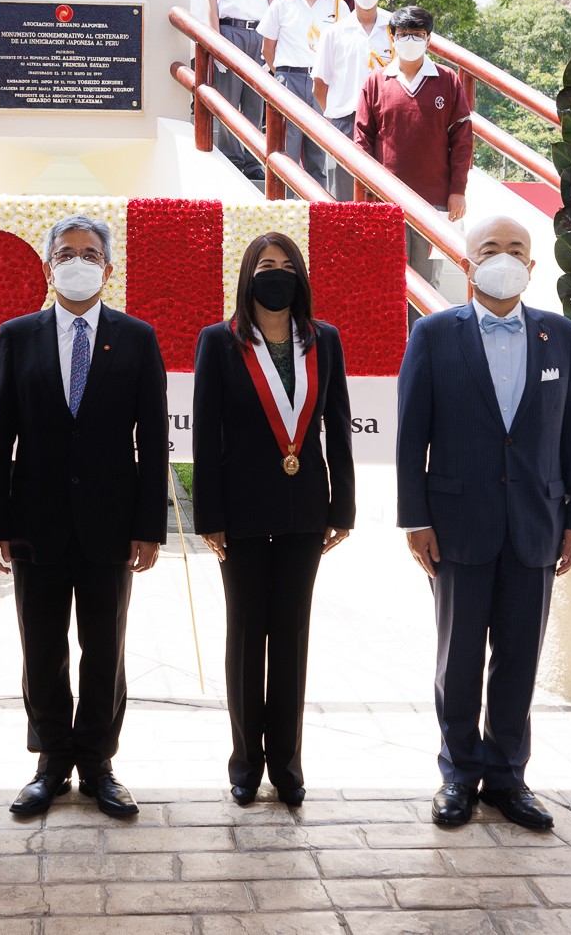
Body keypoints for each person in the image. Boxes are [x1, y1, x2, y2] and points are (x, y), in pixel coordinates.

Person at [395, 215, 571, 833]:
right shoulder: (432, 334)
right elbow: (411, 437)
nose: (504, 258)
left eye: (517, 250)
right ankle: (458, 773)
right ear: (467, 264)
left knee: (518, 656)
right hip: (458, 523)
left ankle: (508, 776)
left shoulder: (560, 337)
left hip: (537, 522)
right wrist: (415, 518)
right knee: (458, 657)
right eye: (491, 249)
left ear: (532, 267)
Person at [0, 214, 169, 821]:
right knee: (41, 647)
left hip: (111, 526)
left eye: (90, 253)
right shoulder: (17, 336)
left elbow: (153, 437)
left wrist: (148, 526)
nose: (77, 261)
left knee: (104, 646)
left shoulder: (138, 339)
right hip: (35, 524)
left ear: (108, 268)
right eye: (66, 252)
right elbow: (0, 433)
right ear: (48, 265)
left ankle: (98, 763)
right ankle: (50, 763)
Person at [191, 234, 354, 807]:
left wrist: (344, 508)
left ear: (301, 277)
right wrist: (207, 514)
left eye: (287, 266)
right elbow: (205, 435)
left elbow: (338, 424)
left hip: (305, 514)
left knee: (291, 639)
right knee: (244, 638)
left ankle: (287, 764)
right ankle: (244, 762)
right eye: (266, 266)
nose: (277, 274)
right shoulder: (219, 341)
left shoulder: (324, 340)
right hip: (238, 516)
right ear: (248, 275)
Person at [354, 6, 473, 304]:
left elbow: (462, 141)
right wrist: (368, 194)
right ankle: (393, 348)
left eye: (417, 35)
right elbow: (362, 141)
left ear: (429, 40)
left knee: (426, 283)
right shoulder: (376, 82)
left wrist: (458, 190)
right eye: (404, 34)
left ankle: (422, 345)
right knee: (386, 279)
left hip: (433, 202)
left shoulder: (447, 81)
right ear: (392, 37)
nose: (410, 40)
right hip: (385, 202)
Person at [202, 0, 288, 180]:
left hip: (260, 32)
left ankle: (252, 158)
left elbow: (276, 2)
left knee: (254, 101)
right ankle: (231, 157)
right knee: (228, 99)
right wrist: (215, 43)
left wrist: (272, 47)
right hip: (230, 30)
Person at [257, 0, 341, 184]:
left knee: (318, 153)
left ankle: (318, 211)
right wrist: (282, 75)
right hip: (288, 79)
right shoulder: (282, 3)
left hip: (322, 83)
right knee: (286, 150)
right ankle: (283, 210)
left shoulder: (337, 6)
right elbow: (267, 48)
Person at [315, 0, 394, 200]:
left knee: (385, 194)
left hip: (388, 123)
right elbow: (320, 84)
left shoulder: (396, 29)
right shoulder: (334, 32)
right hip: (345, 121)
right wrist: (334, 117)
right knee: (344, 196)